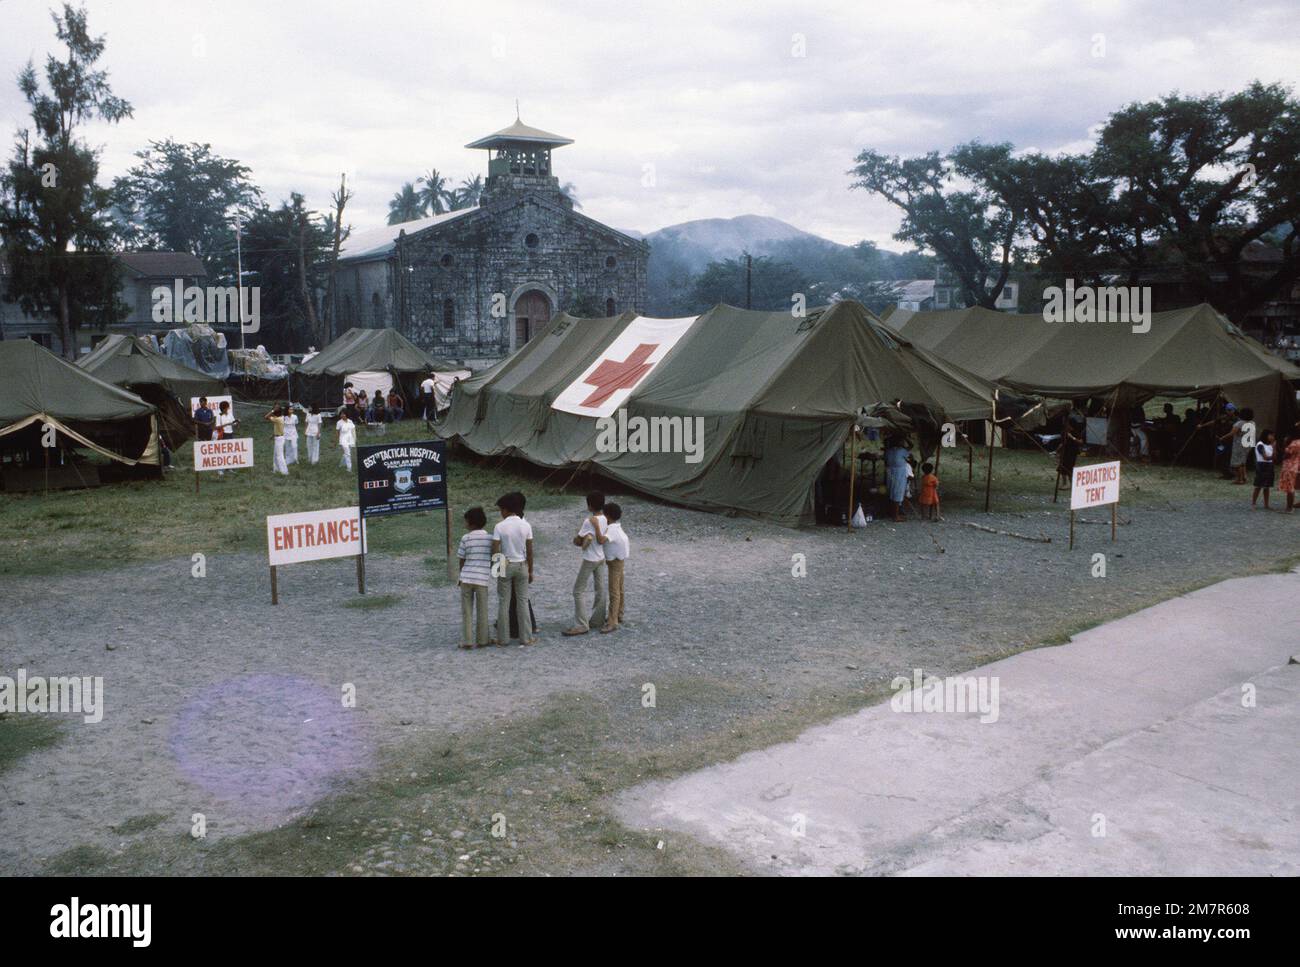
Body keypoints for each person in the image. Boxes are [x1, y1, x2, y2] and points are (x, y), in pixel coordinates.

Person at [492, 493, 535, 646]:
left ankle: (503, 638)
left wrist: (496, 570)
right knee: (522, 602)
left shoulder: (499, 526)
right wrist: (530, 570)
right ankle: (526, 637)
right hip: (522, 564)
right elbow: (530, 550)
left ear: (505, 510)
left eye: (500, 510)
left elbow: (495, 549)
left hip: (506, 563)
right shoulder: (526, 525)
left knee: (504, 602)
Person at [564, 491, 608, 636]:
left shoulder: (589, 521)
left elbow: (578, 540)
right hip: (601, 557)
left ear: (589, 505)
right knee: (600, 589)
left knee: (578, 590)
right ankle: (598, 620)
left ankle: (582, 624)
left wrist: (576, 538)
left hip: (590, 559)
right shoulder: (605, 519)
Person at [456, 506, 493, 649]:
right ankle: (483, 640)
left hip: (466, 578)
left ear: (470, 522)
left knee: (467, 610)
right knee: (482, 610)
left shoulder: (466, 538)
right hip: (482, 579)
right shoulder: (490, 538)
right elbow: (495, 556)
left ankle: (467, 641)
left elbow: (462, 559)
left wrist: (461, 575)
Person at [598, 502, 629, 634]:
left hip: (614, 562)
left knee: (614, 591)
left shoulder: (610, 529)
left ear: (608, 516)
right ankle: (619, 614)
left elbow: (601, 540)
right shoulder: (617, 526)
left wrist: (595, 526)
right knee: (620, 589)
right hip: (620, 559)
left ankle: (612, 621)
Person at [1220, 405, 1253, 484]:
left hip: (1239, 444)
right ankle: (1244, 477)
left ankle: (1240, 479)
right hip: (1248, 444)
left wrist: (1223, 437)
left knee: (1238, 463)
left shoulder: (1239, 423)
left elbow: (1232, 433)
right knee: (1243, 462)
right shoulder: (1252, 423)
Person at [884, 436, 910, 522]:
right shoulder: (902, 451)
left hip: (891, 472)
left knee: (891, 492)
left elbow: (886, 461)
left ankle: (892, 512)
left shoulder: (888, 451)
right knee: (898, 493)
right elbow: (910, 448)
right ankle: (896, 516)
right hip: (899, 474)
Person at [1279, 420, 1300, 513]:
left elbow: (1286, 455)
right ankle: (1290, 507)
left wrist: (1284, 444)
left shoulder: (1294, 443)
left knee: (1290, 488)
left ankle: (1289, 508)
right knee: (1292, 487)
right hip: (1295, 466)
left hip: (1290, 467)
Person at [1251, 430, 1275, 510]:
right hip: (1262, 466)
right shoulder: (1260, 444)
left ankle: (1266, 504)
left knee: (1267, 487)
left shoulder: (1270, 445)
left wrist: (1274, 448)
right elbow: (1265, 457)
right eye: (1271, 435)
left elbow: (1275, 457)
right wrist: (1273, 453)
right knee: (1258, 486)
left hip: (1269, 466)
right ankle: (1253, 503)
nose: (1272, 437)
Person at [214, 400, 236, 476]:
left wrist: (236, 422)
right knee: (223, 452)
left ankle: (229, 468)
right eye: (227, 407)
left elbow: (233, 423)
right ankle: (220, 469)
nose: (228, 408)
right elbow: (217, 427)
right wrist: (227, 424)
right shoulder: (219, 416)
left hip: (230, 433)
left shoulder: (230, 414)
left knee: (230, 451)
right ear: (224, 408)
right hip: (223, 434)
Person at [266, 405, 289, 475]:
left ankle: (284, 471)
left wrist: (273, 410)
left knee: (279, 456)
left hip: (279, 439)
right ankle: (276, 469)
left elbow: (266, 417)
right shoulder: (280, 417)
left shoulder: (278, 419)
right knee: (276, 455)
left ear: (276, 412)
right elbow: (278, 428)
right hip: (278, 437)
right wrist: (273, 435)